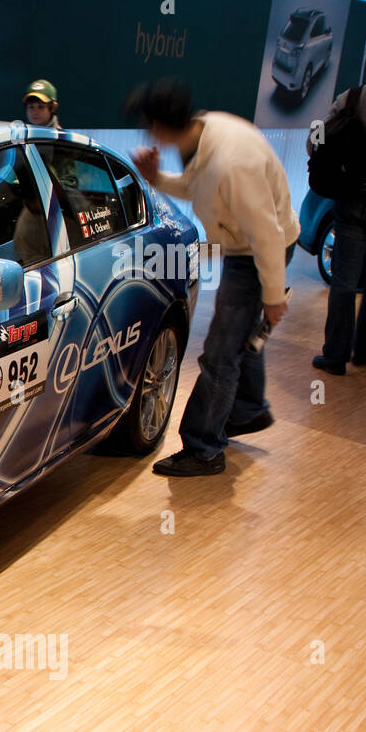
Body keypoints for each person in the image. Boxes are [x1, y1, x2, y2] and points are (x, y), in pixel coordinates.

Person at [125, 77, 300, 477]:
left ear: (159, 126)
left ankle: (204, 448)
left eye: (147, 123)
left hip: (256, 251)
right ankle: (247, 409)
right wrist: (159, 179)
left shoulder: (231, 161)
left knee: (220, 352)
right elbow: (202, 188)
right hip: (247, 245)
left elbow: (267, 233)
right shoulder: (205, 135)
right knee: (235, 334)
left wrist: (273, 296)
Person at [308, 86, 366, 374]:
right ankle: (364, 351)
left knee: (343, 283)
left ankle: (335, 355)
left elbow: (315, 138)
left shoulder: (353, 98)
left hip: (352, 199)